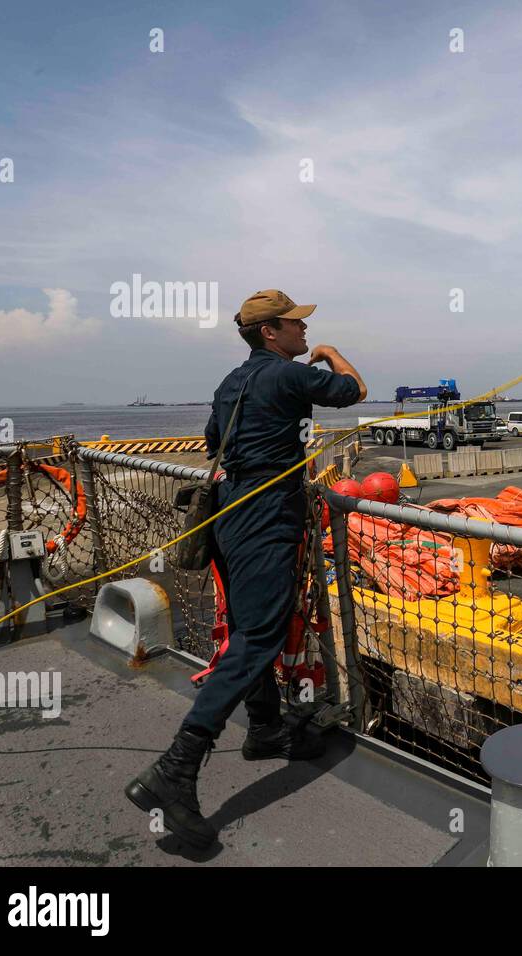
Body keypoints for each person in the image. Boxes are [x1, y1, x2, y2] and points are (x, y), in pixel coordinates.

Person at [125, 289, 366, 850]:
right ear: (271, 334)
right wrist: (330, 353)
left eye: (308, 329)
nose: (305, 332)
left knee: (244, 625)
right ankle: (176, 770)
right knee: (258, 635)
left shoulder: (230, 381)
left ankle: (264, 728)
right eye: (296, 326)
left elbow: (214, 440)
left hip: (230, 517)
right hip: (265, 517)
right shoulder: (288, 374)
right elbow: (356, 391)